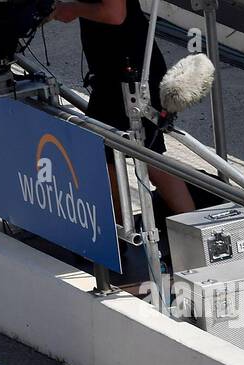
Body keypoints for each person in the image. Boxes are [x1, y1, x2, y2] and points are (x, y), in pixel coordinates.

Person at [52, 0, 195, 214]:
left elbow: (115, 14)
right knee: (132, 156)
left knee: (124, 155)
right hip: (111, 72)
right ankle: (120, 232)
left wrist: (72, 9)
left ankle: (120, 234)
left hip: (131, 73)